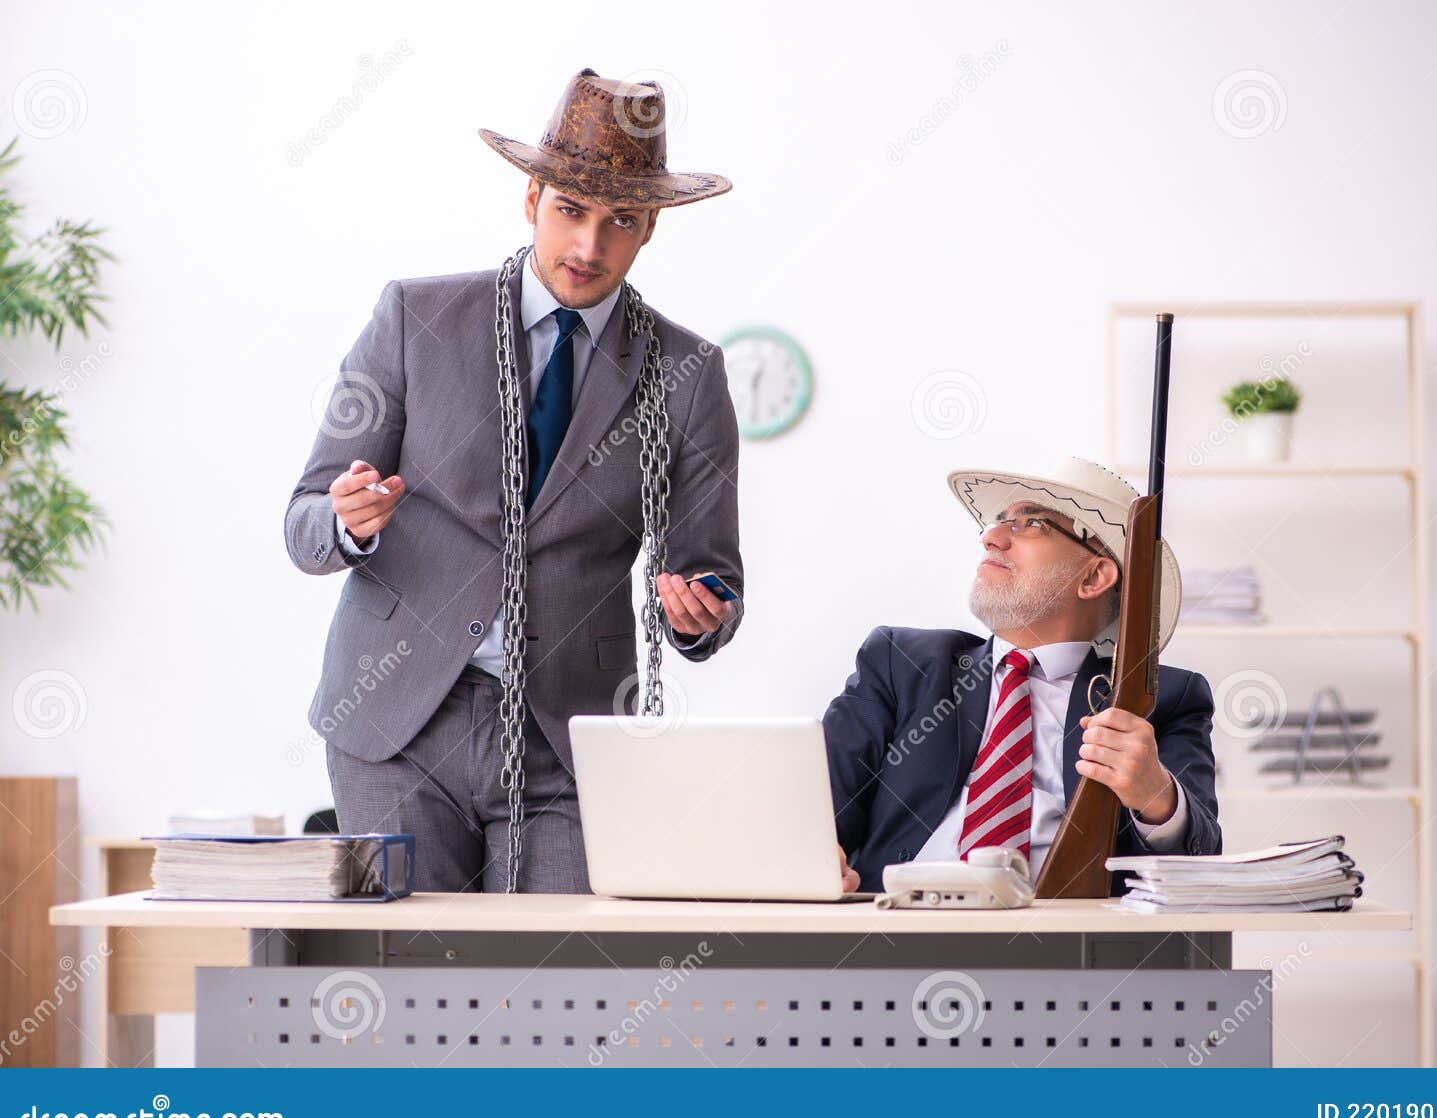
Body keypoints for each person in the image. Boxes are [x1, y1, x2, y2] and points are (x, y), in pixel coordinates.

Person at [284, 69, 742, 893]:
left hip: (567, 737)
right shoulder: (413, 318)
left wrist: (700, 614)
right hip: (394, 718)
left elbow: (711, 576)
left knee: (555, 968)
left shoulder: (688, 372)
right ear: (531, 197)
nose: (588, 248)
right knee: (413, 967)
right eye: (570, 211)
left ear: (650, 229)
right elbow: (305, 523)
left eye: (620, 222)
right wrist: (346, 520)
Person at [824, 458, 1221, 892]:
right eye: (999, 521)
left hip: (1066, 930)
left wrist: (1156, 796)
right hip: (897, 921)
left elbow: (1200, 861)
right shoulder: (901, 663)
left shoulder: (1165, 699)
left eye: (1031, 523)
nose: (991, 538)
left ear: (1093, 576)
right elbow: (817, 809)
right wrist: (819, 855)